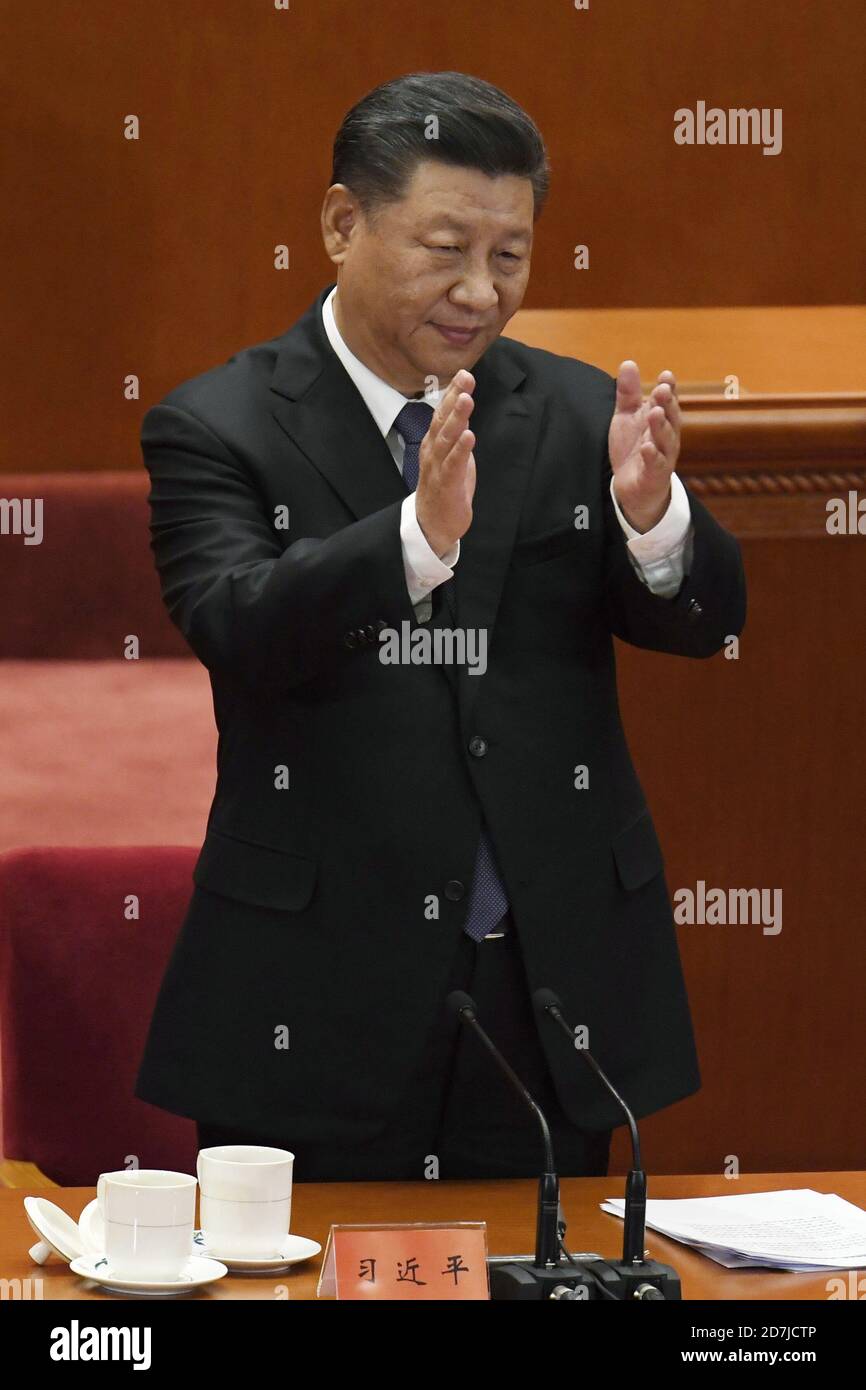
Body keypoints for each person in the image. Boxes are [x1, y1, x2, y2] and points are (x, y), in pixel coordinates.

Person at [134, 71, 746, 1182]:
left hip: (545, 987)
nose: (479, 291)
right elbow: (239, 623)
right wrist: (414, 539)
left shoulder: (572, 412)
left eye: (509, 255)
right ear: (342, 224)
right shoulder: (217, 425)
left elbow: (704, 623)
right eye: (445, 248)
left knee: (544, 1259)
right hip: (316, 988)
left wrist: (652, 520)